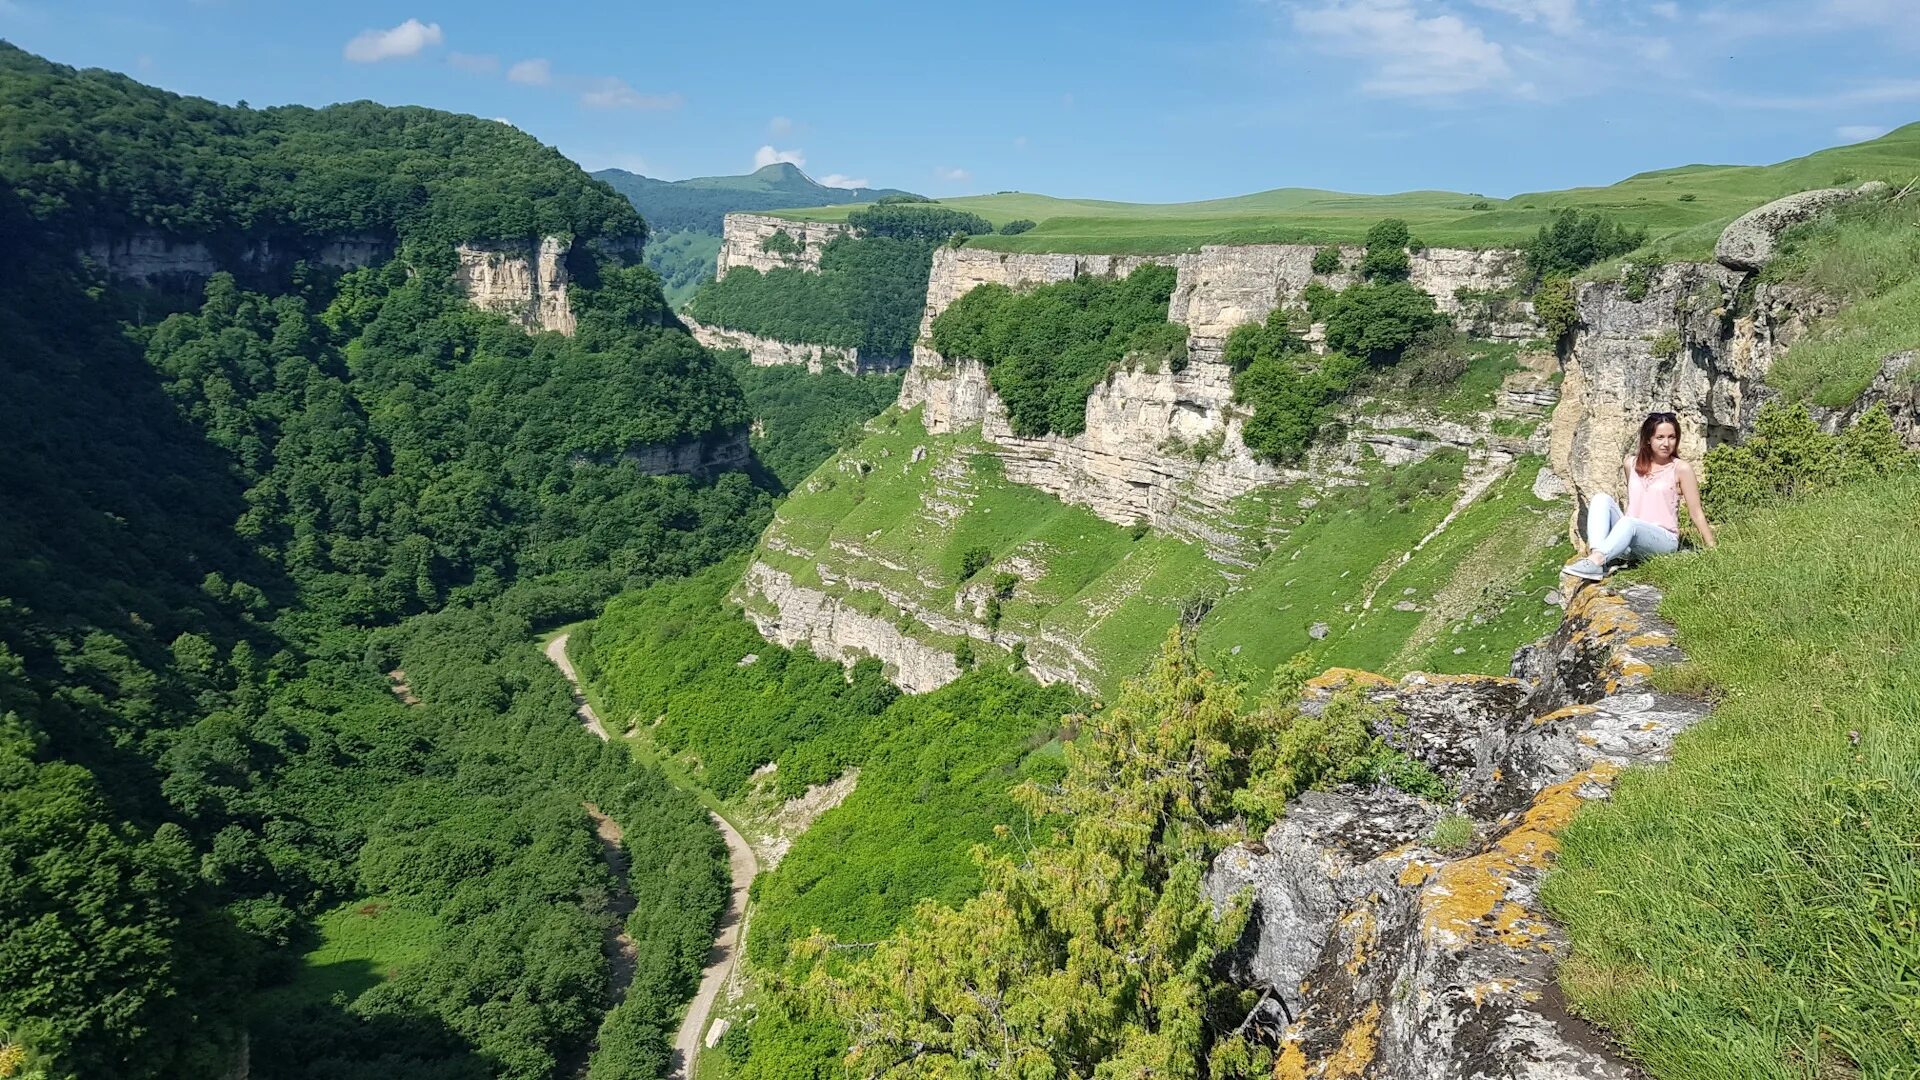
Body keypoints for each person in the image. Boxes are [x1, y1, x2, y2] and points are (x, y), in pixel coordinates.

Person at [1564, 411, 1716, 581]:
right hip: (1632, 536)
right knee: (1601, 499)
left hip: (1663, 539)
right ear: (1648, 439)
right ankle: (1598, 558)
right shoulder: (1631, 464)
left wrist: (1711, 548)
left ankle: (1596, 561)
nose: (1666, 443)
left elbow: (1696, 512)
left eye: (1671, 437)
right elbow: (1636, 502)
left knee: (1630, 523)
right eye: (1660, 437)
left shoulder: (1681, 469)